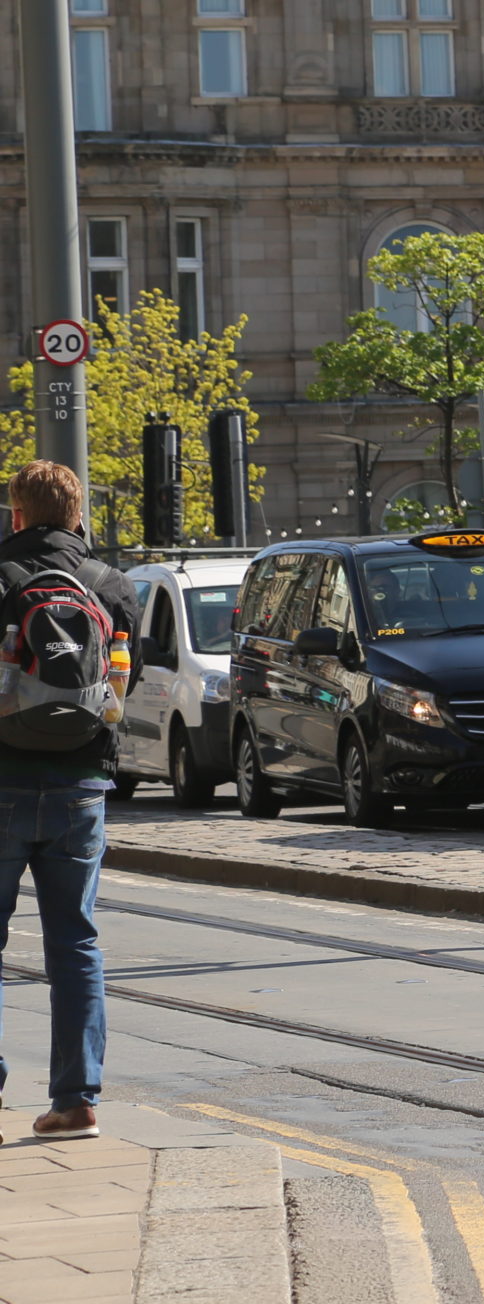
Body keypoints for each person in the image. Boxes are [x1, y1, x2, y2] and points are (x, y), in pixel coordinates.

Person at [0, 461, 140, 1139]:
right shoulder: (111, 585)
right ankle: (77, 1099)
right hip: (82, 787)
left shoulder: (1, 576)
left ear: (17, 514)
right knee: (76, 944)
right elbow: (119, 693)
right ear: (78, 513)